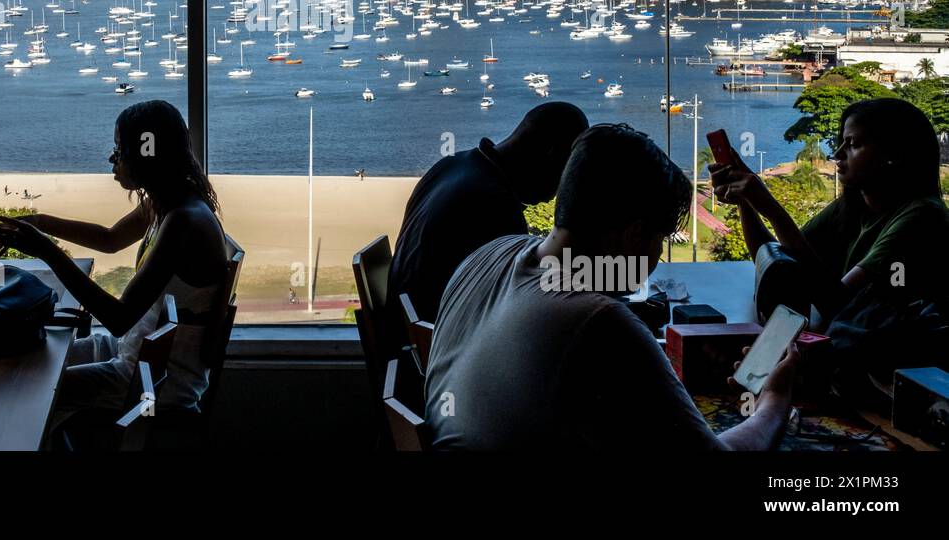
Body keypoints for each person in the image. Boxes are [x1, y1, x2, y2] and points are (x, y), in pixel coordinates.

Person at [425, 124, 797, 452]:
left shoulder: (486, 255)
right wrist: (775, 397)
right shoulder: (600, 321)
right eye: (660, 244)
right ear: (634, 236)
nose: (655, 262)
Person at [0, 100, 228, 421]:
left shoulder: (182, 222)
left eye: (119, 151)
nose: (113, 160)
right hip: (138, 353)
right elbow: (109, 239)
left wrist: (47, 250)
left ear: (145, 155)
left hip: (153, 381)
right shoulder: (169, 203)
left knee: (30, 386)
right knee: (38, 353)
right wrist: (41, 222)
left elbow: (118, 317)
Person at [712, 97, 949, 321]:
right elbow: (778, 264)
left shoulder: (921, 218)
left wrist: (771, 209)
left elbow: (839, 304)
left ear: (893, 155)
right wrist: (746, 201)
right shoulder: (854, 206)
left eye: (853, 144)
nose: (837, 154)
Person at [388, 101, 588, 326]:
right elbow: (525, 298)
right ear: (551, 154)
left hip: (411, 338)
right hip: (443, 347)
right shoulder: (495, 204)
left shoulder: (448, 166)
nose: (557, 192)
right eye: (565, 173)